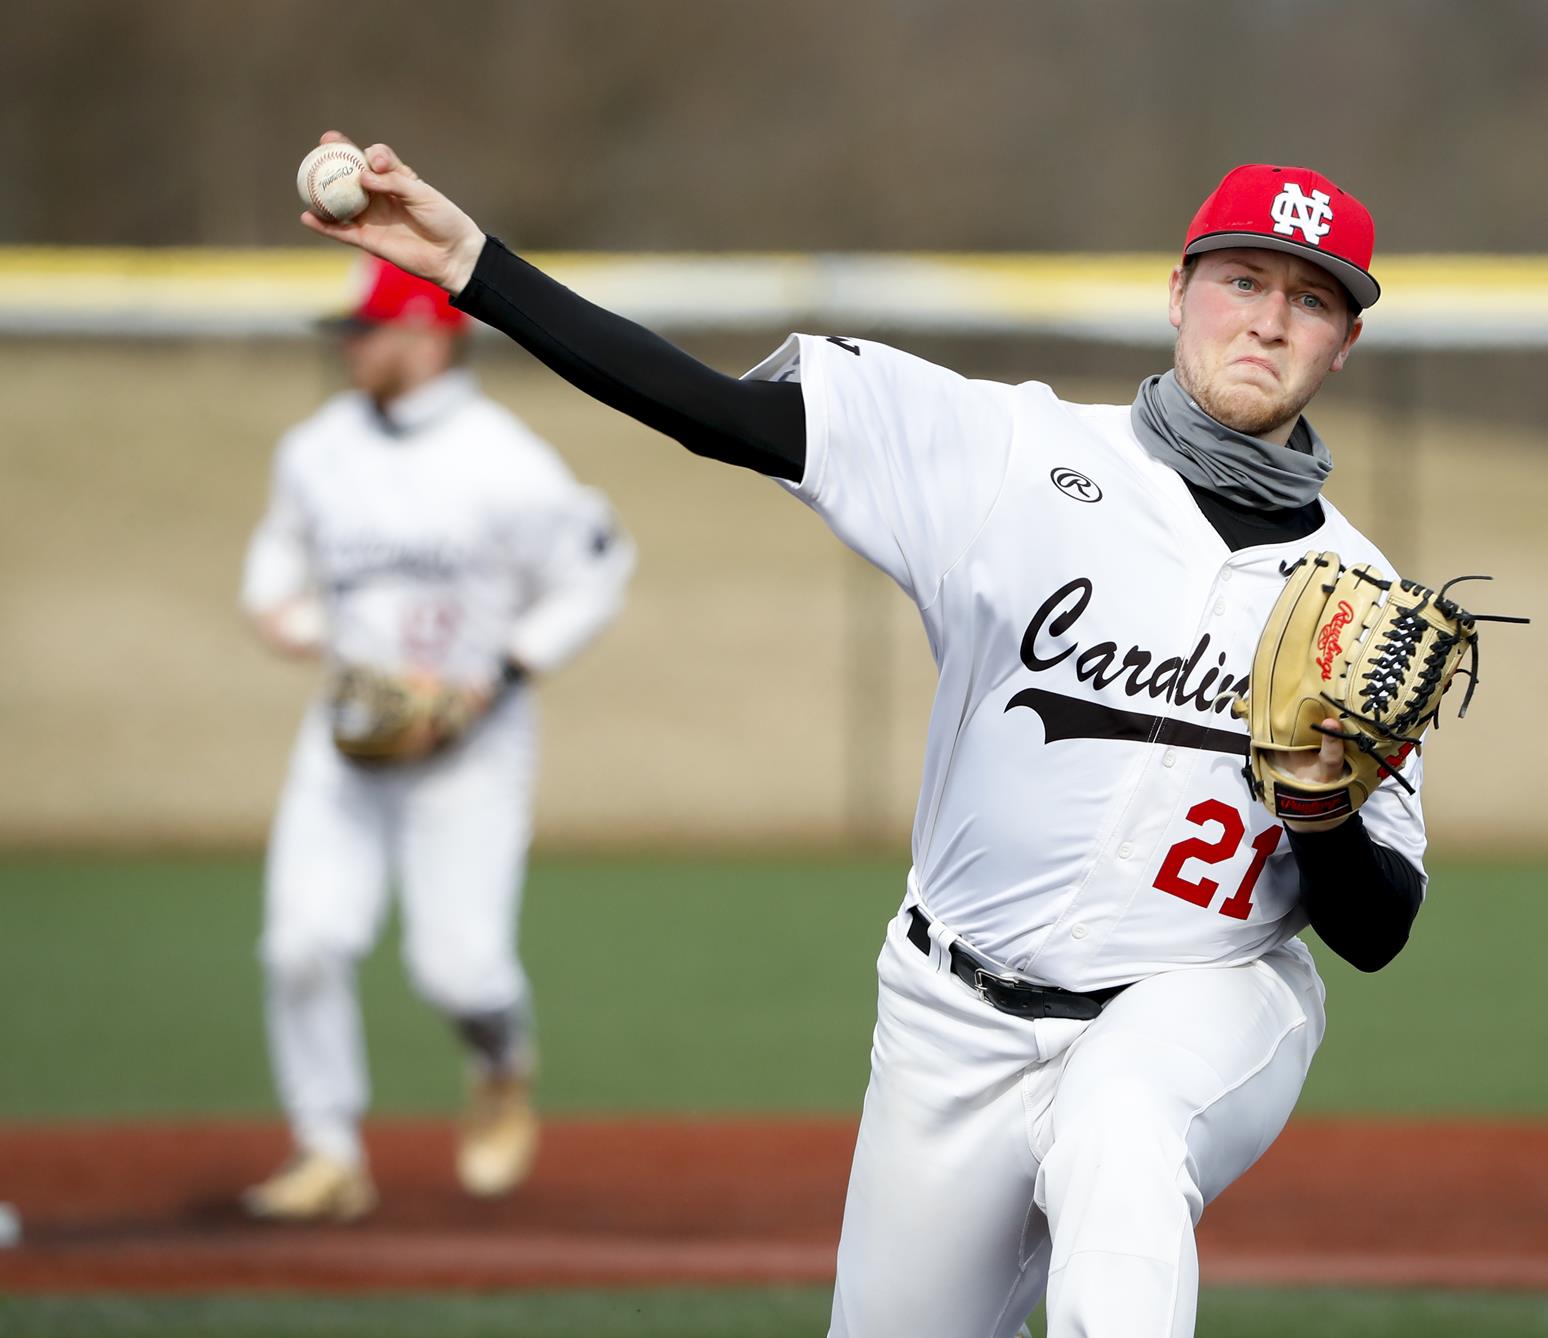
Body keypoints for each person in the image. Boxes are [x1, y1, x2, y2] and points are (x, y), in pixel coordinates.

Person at [304, 134, 1427, 1333]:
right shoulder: (1012, 452)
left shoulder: (1361, 608)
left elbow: (1374, 930)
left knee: (1121, 1132)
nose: (1267, 320)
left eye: (1309, 300)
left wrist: (1317, 810)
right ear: (1177, 292)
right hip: (953, 1016)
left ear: (1341, 343)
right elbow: (717, 416)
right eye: (1242, 281)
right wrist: (474, 265)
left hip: (1201, 995)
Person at [239, 255, 635, 1222]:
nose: (351, 348)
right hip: (349, 730)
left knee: (458, 969)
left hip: (472, 745)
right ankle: (328, 1150)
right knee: (302, 942)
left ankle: (501, 1061)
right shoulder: (317, 449)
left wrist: (497, 675)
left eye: (367, 331)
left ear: (426, 333)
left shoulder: (505, 461)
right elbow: (277, 555)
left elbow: (599, 567)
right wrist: (281, 615)